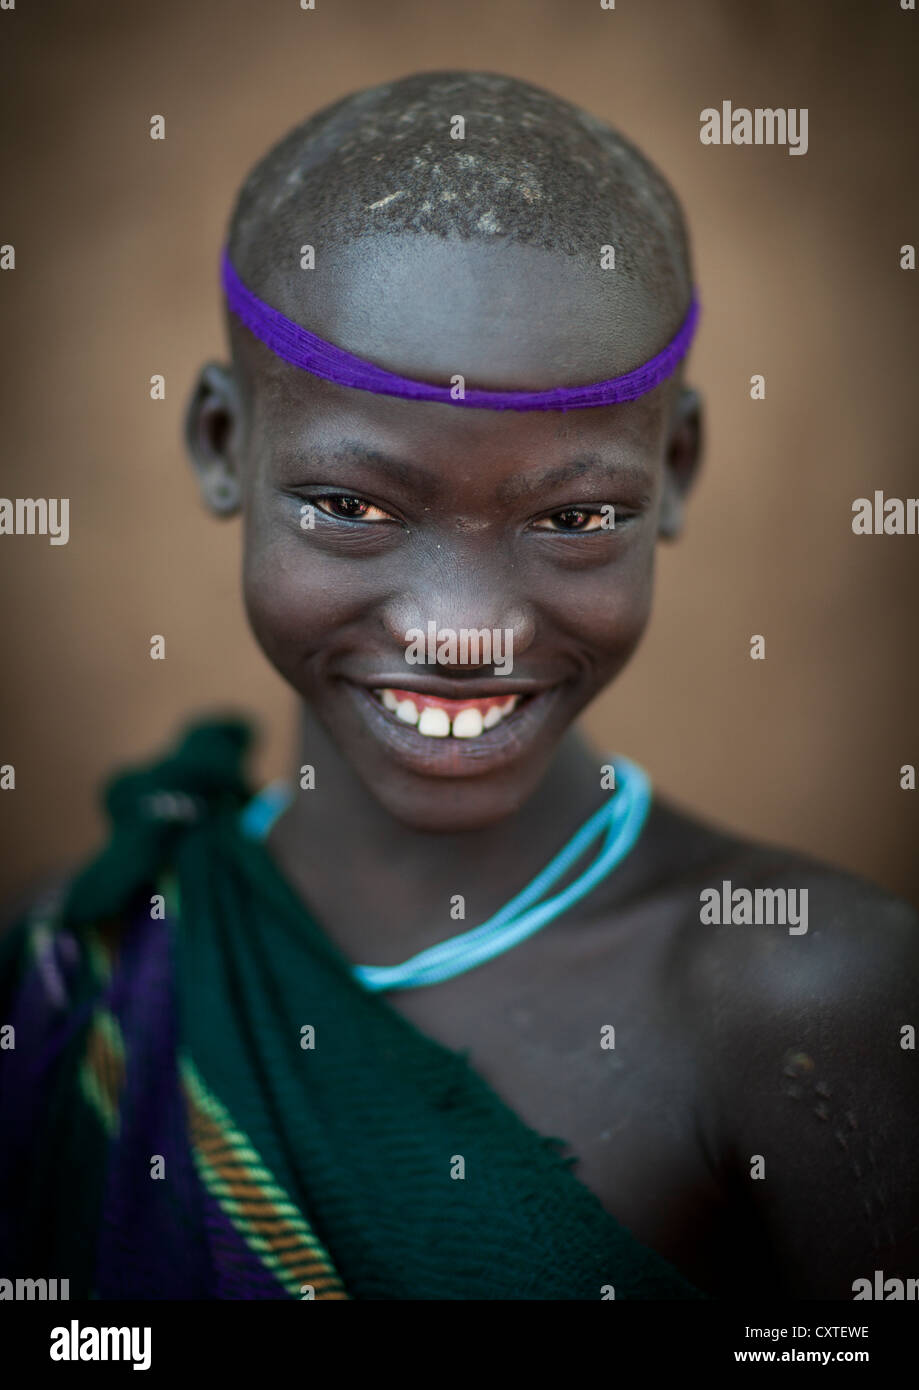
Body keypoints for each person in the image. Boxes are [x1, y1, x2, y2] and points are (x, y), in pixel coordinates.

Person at [1, 71, 916, 1302]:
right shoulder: (86, 958)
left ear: (679, 467)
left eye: (576, 515)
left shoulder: (810, 993)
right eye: (351, 507)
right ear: (224, 443)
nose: (466, 632)